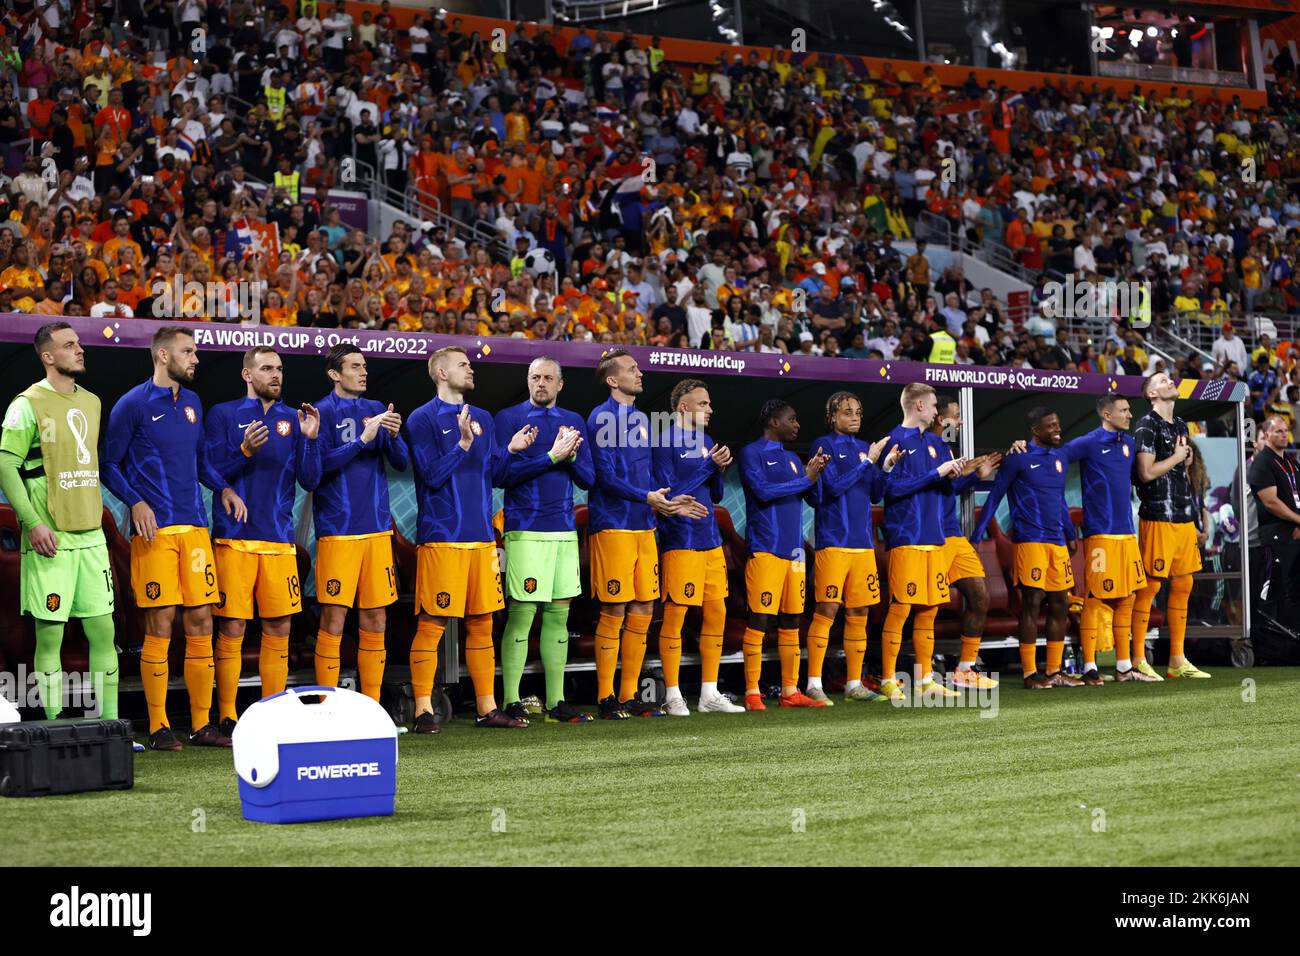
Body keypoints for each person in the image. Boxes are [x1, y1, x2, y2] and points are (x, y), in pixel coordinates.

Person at [405, 346, 569, 732]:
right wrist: (462, 445)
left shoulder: (482, 418)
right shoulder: (421, 418)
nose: (470, 368)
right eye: (463, 364)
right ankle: (423, 710)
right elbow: (430, 475)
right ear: (442, 373)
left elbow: (494, 473)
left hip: (480, 538)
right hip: (442, 537)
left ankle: (486, 708)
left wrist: (511, 451)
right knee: (432, 624)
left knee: (482, 623)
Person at [103, 327, 248, 751]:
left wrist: (222, 487)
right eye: (189, 352)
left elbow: (200, 459)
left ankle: (203, 725)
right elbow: (109, 464)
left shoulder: (193, 403)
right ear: (163, 355)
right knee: (161, 622)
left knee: (202, 621)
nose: (196, 359)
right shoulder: (132, 404)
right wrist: (135, 501)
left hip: (196, 530)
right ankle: (158, 724)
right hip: (155, 533)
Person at [0, 323, 117, 720]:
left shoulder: (93, 402)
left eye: (79, 343)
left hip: (92, 539)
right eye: (69, 345)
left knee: (104, 633)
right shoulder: (26, 404)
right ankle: (53, 733)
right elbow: (5, 465)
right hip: (51, 542)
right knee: (50, 638)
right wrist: (31, 522)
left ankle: (112, 728)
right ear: (48, 356)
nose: (80, 349)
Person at [204, 347, 322, 719]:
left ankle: (272, 712)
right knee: (233, 626)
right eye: (267, 368)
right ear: (247, 375)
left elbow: (311, 479)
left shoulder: (295, 419)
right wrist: (244, 450)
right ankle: (226, 716)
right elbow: (209, 471)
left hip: (278, 541)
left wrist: (312, 439)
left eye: (280, 369)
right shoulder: (223, 414)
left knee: (280, 627)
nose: (276, 375)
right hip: (234, 539)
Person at [586, 349, 698, 719]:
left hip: (643, 525)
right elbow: (604, 477)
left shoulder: (643, 420)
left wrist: (666, 498)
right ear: (612, 380)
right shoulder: (601, 417)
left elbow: (646, 474)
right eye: (632, 370)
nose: (640, 374)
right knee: (614, 606)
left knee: (644, 607)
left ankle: (630, 694)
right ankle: (606, 698)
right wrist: (645, 496)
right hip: (613, 524)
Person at [493, 357, 595, 725]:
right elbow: (499, 475)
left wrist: (569, 455)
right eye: (535, 377)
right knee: (523, 613)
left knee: (559, 613)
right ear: (528, 380)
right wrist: (553, 455)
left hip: (564, 530)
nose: (541, 383)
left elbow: (588, 478)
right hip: (525, 529)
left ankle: (557, 701)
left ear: (560, 384)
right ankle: (510, 701)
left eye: (548, 378)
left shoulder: (574, 421)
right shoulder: (507, 418)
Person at [310, 344, 408, 702]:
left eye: (365, 366)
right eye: (355, 366)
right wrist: (360, 441)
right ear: (335, 374)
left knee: (376, 620)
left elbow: (399, 462)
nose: (363, 372)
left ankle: (373, 705)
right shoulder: (320, 412)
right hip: (338, 533)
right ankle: (324, 705)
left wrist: (394, 435)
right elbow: (316, 469)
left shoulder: (375, 409)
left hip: (378, 532)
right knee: (333, 621)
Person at [650, 379, 745, 715]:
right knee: (676, 615)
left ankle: (709, 693)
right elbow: (667, 492)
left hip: (710, 539)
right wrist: (709, 466)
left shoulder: (706, 441)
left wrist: (718, 469)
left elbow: (716, 494)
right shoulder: (663, 442)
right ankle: (673, 693)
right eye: (703, 403)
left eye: (709, 403)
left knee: (717, 613)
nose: (709, 409)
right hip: (680, 538)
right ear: (683, 406)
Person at [971, 407, 1081, 688]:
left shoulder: (1059, 458)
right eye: (1051, 426)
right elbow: (994, 497)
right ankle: (1030, 673)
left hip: (1056, 542)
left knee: (1060, 604)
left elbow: (1059, 500)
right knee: (1032, 603)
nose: (1057, 429)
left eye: (1058, 424)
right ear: (1035, 431)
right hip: (1030, 541)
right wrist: (975, 537)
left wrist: (1070, 534)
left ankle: (1055, 671)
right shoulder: (1017, 459)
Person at [738, 400, 831, 710]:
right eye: (792, 419)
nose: (797, 425)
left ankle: (790, 691)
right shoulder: (752, 453)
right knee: (761, 617)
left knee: (792, 618)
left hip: (794, 553)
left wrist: (816, 474)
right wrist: (805, 478)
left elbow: (813, 498)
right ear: (773, 421)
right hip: (766, 548)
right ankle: (752, 691)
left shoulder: (793, 458)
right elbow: (763, 491)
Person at [878, 384, 967, 701]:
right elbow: (889, 490)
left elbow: (945, 489)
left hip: (935, 537)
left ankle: (926, 678)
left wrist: (953, 475)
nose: (936, 413)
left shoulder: (935, 442)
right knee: (901, 607)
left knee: (929, 610)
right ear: (917, 405)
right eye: (932, 406)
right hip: (907, 536)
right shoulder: (894, 440)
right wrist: (936, 474)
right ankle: (888, 678)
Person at [1062, 394, 1159, 682]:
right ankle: (1090, 666)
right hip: (1100, 533)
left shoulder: (1129, 445)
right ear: (1106, 414)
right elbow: (1057, 457)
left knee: (1127, 597)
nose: (1130, 415)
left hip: (1126, 533)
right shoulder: (1088, 442)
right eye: (1124, 410)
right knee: (1094, 598)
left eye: (1129, 410)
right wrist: (1024, 449)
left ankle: (1123, 666)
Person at [805, 391, 892, 703]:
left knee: (860, 611)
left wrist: (885, 467)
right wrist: (867, 461)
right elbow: (831, 489)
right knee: (827, 609)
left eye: (857, 411)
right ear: (832, 417)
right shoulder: (823, 445)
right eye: (846, 412)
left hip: (863, 544)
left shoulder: (863, 447)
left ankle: (854, 683)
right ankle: (813, 684)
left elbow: (875, 493)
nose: (854, 417)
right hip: (833, 542)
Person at [1131, 373, 1211, 679]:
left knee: (1184, 584)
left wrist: (1186, 461)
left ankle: (1177, 660)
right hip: (1157, 516)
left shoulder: (1180, 425)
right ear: (1152, 393)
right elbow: (1146, 472)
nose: (1169, 382)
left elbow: (1180, 470)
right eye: (1163, 380)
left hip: (1182, 516)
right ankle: (1137, 658)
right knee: (1150, 585)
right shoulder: (1145, 424)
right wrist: (1178, 456)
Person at [931, 396, 1001, 689]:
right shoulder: (923, 446)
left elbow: (949, 489)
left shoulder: (945, 447)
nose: (960, 422)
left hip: (954, 535)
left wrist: (975, 476)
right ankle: (906, 670)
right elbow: (930, 487)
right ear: (940, 419)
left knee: (980, 595)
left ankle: (965, 668)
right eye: (956, 416)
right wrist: (969, 472)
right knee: (922, 606)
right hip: (929, 537)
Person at [1246, 415, 1300, 630]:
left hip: (1294, 531)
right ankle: (1273, 639)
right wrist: (1298, 520)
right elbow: (1271, 503)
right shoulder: (1262, 463)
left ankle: (1293, 639)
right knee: (1277, 590)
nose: (1283, 434)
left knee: (1295, 589)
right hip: (1276, 536)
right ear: (1266, 435)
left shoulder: (1291, 462)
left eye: (1285, 430)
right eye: (1278, 431)